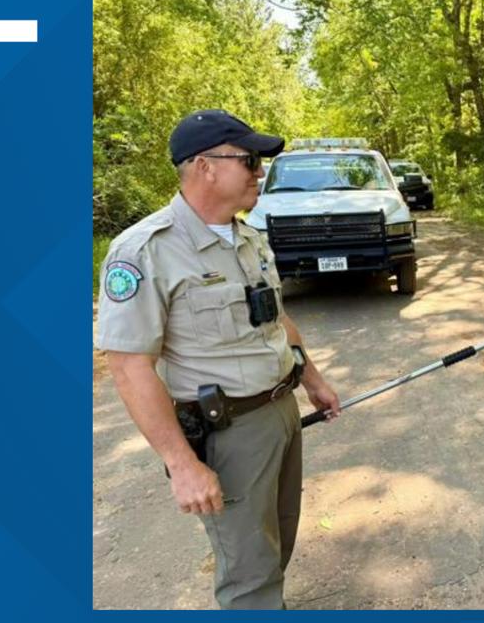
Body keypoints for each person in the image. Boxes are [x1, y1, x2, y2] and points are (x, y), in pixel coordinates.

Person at [95, 109, 341, 608]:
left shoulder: (247, 237)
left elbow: (275, 318)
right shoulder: (144, 251)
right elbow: (128, 365)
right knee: (248, 576)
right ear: (205, 166)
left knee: (276, 547)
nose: (259, 171)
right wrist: (182, 464)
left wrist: (312, 377)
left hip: (281, 414)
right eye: (249, 159)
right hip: (230, 432)